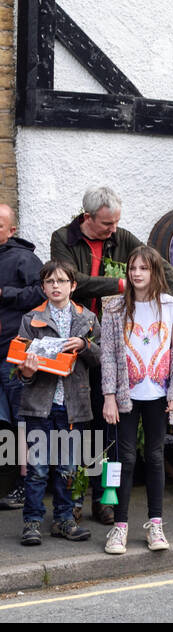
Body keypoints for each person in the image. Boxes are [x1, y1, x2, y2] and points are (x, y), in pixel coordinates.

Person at [50, 186, 173, 526]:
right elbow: (75, 281)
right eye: (107, 224)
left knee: (110, 434)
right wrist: (122, 285)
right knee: (83, 428)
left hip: (118, 348)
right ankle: (75, 497)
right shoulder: (62, 239)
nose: (113, 230)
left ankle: (106, 499)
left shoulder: (121, 236)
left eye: (116, 223)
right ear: (88, 218)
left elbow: (161, 268)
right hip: (81, 343)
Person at [99, 247, 173, 554]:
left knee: (155, 456)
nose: (137, 273)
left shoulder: (170, 306)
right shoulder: (113, 308)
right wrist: (109, 396)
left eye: (143, 269)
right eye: (133, 268)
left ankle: (155, 525)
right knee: (125, 458)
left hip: (158, 395)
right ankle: (119, 527)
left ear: (154, 273)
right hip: (126, 396)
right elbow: (107, 356)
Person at [15, 260, 99, 546]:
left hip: (72, 406)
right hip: (39, 404)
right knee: (37, 468)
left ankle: (64, 520)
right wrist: (26, 369)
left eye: (61, 281)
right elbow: (20, 364)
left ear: (73, 286)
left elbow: (101, 357)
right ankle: (32, 522)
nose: (55, 286)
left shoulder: (86, 318)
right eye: (50, 282)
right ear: (43, 287)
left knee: (67, 467)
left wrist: (84, 345)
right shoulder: (31, 318)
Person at [0, 203, 43, 511]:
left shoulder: (24, 258)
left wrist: (6, 293)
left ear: (11, 230)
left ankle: (27, 487)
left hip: (12, 356)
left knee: (23, 423)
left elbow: (43, 292)